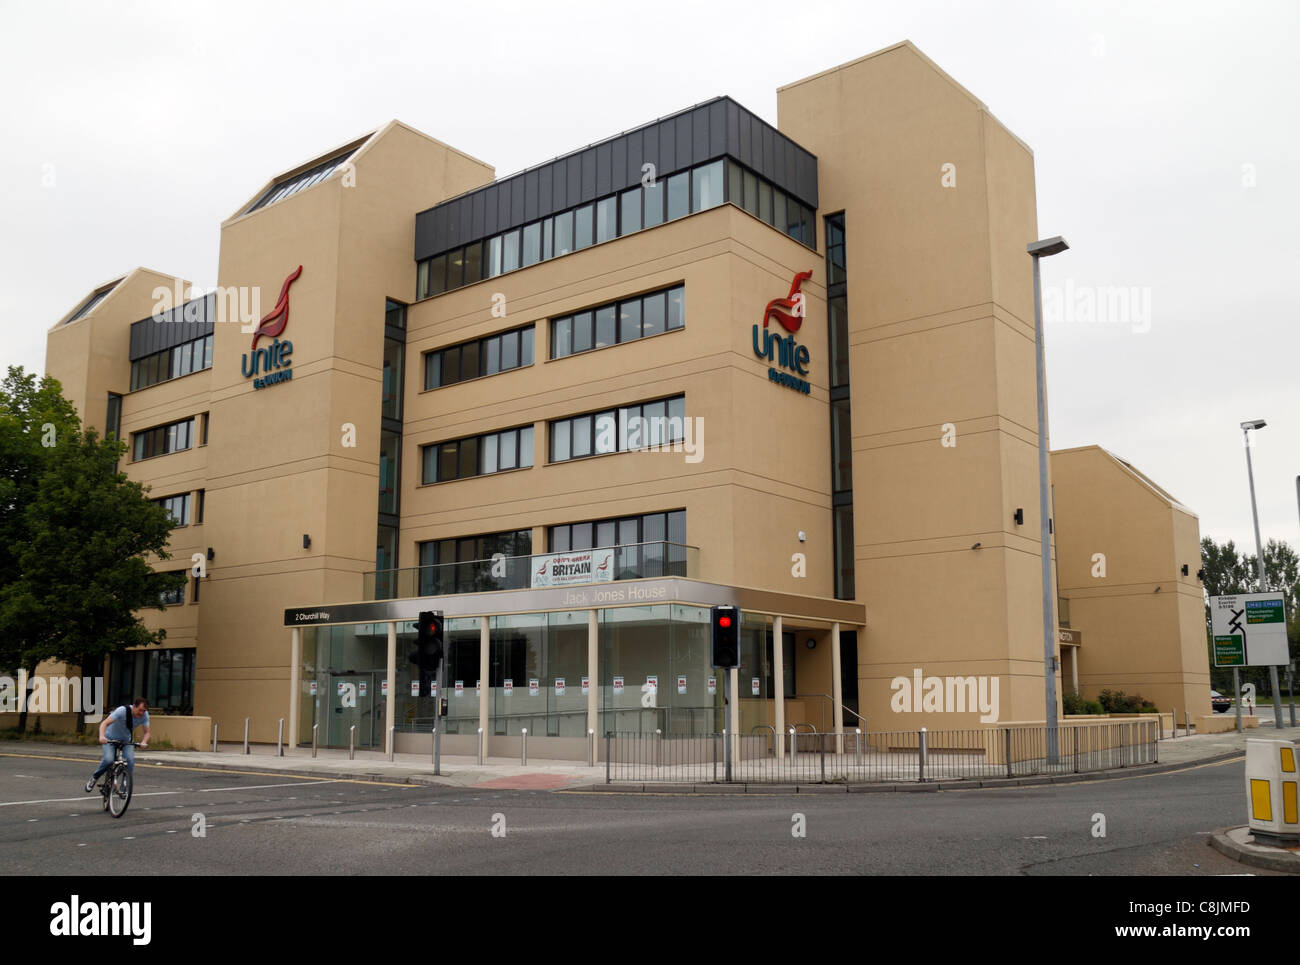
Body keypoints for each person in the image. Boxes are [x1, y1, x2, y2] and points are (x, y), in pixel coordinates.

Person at [84, 698, 150, 792]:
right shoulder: (121, 711)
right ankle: (95, 777)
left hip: (126, 741)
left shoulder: (145, 715)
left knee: (130, 761)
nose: (141, 713)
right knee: (108, 760)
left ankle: (124, 789)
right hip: (109, 739)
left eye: (144, 711)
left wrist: (144, 742)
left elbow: (147, 732)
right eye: (140, 710)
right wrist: (102, 736)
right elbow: (104, 723)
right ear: (134, 706)